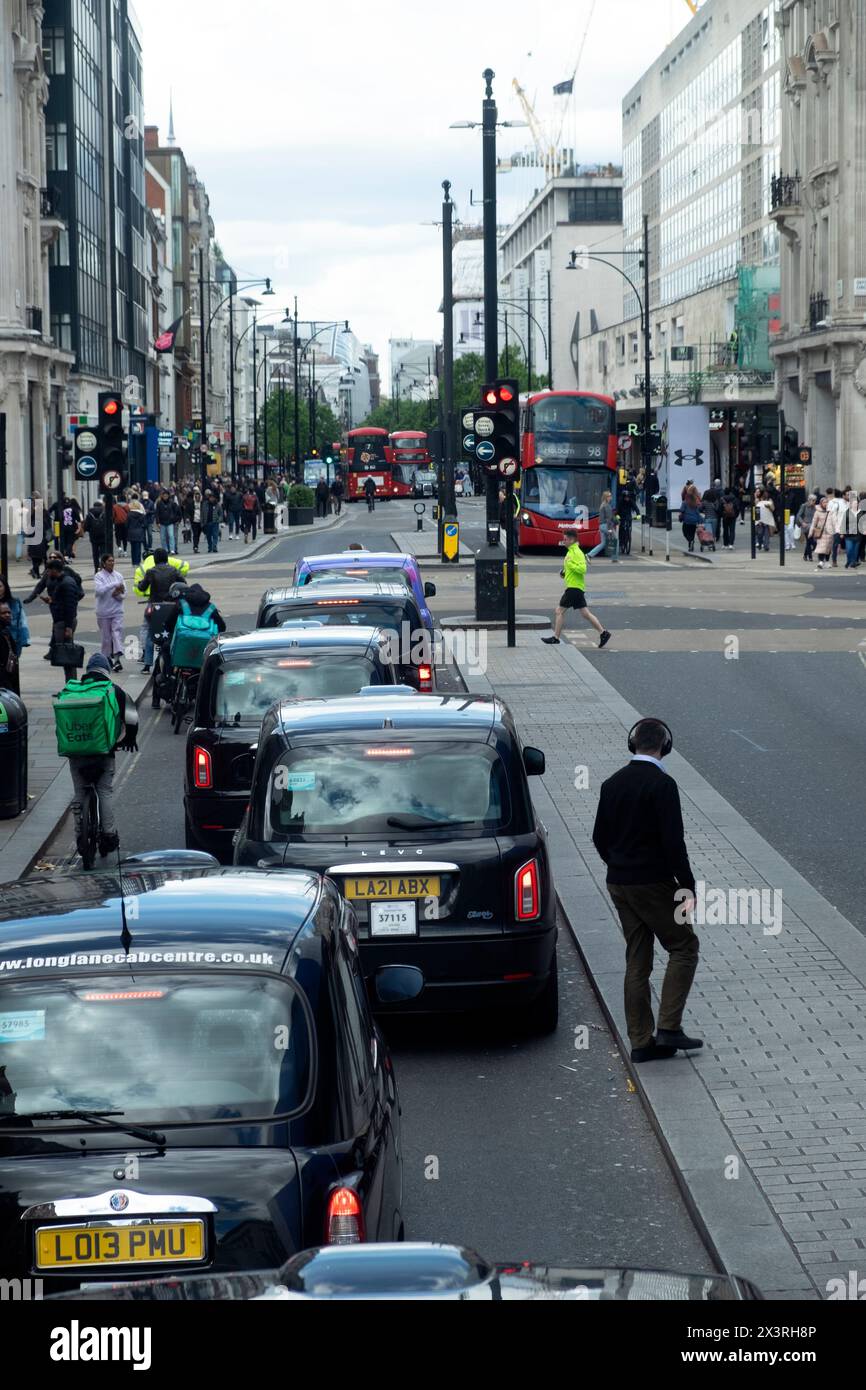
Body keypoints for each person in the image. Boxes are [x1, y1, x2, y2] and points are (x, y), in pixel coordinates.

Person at [592, 718, 701, 1064]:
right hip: (652, 883)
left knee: (637, 959)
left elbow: (598, 837)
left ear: (632, 744)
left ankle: (641, 1041)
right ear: (664, 746)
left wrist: (619, 863)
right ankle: (669, 1026)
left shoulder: (611, 784)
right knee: (684, 946)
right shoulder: (662, 784)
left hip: (618, 883)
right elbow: (673, 842)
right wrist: (687, 885)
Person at [62, 652, 138, 860]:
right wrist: (128, 740)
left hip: (76, 754)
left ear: (87, 671)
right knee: (104, 791)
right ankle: (109, 834)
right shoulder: (114, 691)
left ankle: (80, 838)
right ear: (107, 670)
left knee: (79, 793)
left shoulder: (71, 691)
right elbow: (132, 718)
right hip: (104, 753)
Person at [541, 525, 611, 649]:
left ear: (572, 540)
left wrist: (570, 564)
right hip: (576, 587)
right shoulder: (571, 551)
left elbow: (582, 569)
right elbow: (572, 569)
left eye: (565, 539)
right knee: (585, 613)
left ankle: (556, 638)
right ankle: (603, 633)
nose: (564, 541)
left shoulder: (576, 552)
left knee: (559, 611)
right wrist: (564, 572)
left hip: (574, 588)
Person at [135, 548, 191, 671]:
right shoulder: (174, 570)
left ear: (155, 559)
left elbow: (142, 587)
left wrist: (139, 583)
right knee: (172, 632)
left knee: (149, 631)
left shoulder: (151, 571)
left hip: (154, 605)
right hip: (170, 606)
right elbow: (184, 584)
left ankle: (147, 664)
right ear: (166, 558)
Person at [44, 555, 82, 680]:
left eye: (49, 571)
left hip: (64, 623)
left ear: (55, 570)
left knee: (67, 655)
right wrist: (51, 601)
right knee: (66, 654)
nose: (48, 574)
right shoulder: (62, 581)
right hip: (61, 622)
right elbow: (61, 602)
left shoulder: (66, 583)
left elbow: (70, 606)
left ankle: (71, 683)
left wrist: (68, 627)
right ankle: (70, 683)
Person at [93, 554, 126, 672]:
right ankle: (106, 658)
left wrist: (117, 594)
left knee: (116, 634)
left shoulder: (119, 576)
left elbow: (123, 594)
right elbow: (99, 591)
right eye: (109, 561)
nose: (112, 563)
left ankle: (117, 659)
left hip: (117, 611)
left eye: (113, 561)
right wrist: (113, 585)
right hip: (103, 612)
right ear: (103, 563)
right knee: (106, 638)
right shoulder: (99, 576)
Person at [588, 490, 614, 559]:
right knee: (615, 539)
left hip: (601, 526)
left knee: (603, 543)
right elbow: (609, 518)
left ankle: (589, 555)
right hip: (606, 526)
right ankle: (615, 558)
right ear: (606, 497)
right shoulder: (607, 506)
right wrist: (610, 529)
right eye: (610, 496)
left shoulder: (602, 504)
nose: (611, 497)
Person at [809, 495, 833, 570]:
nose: (825, 504)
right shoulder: (817, 512)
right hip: (820, 532)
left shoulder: (830, 511)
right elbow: (814, 522)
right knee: (821, 547)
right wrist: (811, 532)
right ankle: (821, 561)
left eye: (827, 502)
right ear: (821, 503)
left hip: (829, 532)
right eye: (824, 502)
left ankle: (827, 561)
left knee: (828, 548)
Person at [679, 488, 704, 552]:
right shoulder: (695, 503)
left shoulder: (684, 502)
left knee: (685, 532)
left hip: (687, 520)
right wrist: (700, 520)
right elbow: (697, 512)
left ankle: (690, 541)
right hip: (694, 521)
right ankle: (690, 546)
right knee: (692, 533)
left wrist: (680, 516)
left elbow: (682, 510)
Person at [125, 497, 148, 567]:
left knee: (133, 548)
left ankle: (134, 562)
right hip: (139, 532)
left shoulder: (129, 514)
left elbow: (126, 525)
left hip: (131, 532)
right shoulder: (142, 514)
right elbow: (145, 524)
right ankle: (138, 562)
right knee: (138, 548)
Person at [796, 494, 817, 562]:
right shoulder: (804, 506)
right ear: (809, 500)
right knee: (809, 541)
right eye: (813, 500)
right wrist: (802, 523)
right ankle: (810, 556)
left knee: (810, 542)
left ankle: (805, 555)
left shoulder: (815, 507)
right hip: (806, 526)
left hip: (813, 526)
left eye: (815, 500)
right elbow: (798, 515)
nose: (814, 502)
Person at [720, 484, 739, 549]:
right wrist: (736, 515)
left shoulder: (722, 499)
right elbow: (737, 507)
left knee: (725, 530)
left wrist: (721, 514)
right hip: (733, 516)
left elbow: (719, 508)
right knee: (732, 530)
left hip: (725, 516)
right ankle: (731, 544)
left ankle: (725, 544)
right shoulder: (734, 498)